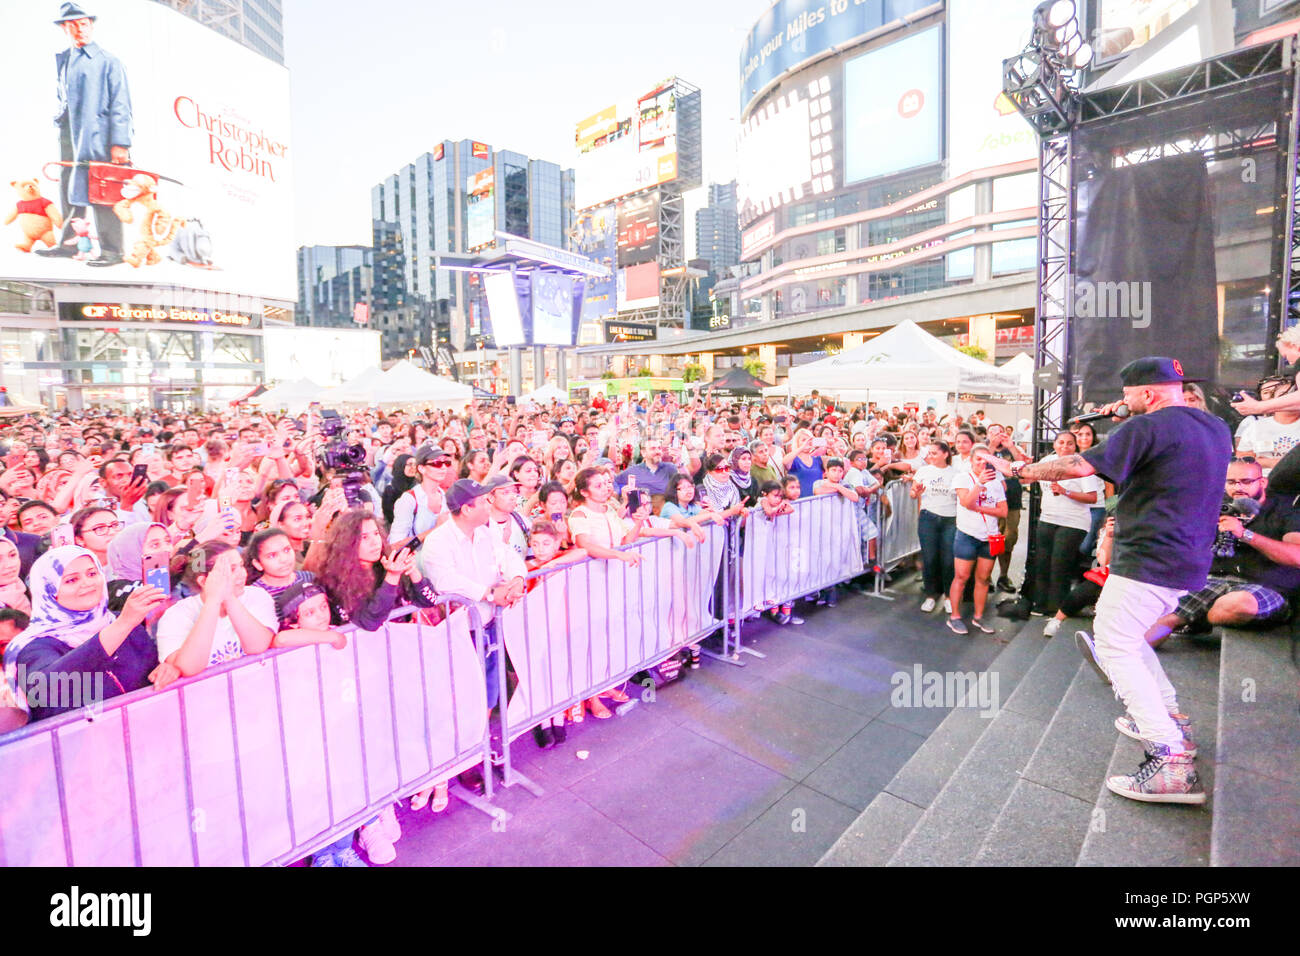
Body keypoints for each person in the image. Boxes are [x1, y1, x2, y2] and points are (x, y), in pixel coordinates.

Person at [981, 357, 1231, 804]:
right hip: (1187, 554)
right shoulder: (1212, 427)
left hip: (1150, 554)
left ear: (1147, 394)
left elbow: (1076, 466)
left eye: (1130, 395)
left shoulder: (1144, 428)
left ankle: (1171, 760)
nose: (1124, 402)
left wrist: (1019, 470)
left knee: (1115, 642)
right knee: (1128, 638)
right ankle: (1169, 716)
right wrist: (1126, 416)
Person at [1141, 455, 1300, 646]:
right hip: (1214, 580)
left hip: (1268, 586)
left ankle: (1197, 618)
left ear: (1263, 482)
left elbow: (1296, 556)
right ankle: (1120, 660)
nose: (1238, 488)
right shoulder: (1216, 506)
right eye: (1231, 482)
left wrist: (1245, 534)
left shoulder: (1285, 512)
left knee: (1236, 605)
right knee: (1163, 614)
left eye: (1246, 481)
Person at [4, 546, 166, 722]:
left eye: (92, 574)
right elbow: (49, 687)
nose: (87, 583)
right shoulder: (34, 647)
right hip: (81, 745)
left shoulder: (121, 622)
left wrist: (168, 667)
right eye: (71, 580)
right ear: (50, 591)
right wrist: (124, 624)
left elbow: (151, 671)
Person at [39, 3, 132, 268]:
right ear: (64, 28)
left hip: (99, 137)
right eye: (73, 25)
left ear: (91, 25)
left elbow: (121, 104)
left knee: (104, 189)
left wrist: (120, 143)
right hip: (70, 133)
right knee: (69, 186)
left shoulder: (109, 62)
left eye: (84, 23)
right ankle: (69, 245)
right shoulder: (65, 59)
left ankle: (113, 251)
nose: (79, 29)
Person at [154, 541, 277, 680]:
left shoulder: (257, 596)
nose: (242, 574)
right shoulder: (176, 615)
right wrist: (213, 601)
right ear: (203, 581)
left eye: (241, 565)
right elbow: (188, 668)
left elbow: (257, 646)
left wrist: (229, 598)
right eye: (231, 569)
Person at [1027, 431, 1102, 637]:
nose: (1065, 446)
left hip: (1073, 522)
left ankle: (1058, 609)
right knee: (1043, 562)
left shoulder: (1082, 464)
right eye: (1061, 442)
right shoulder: (1048, 461)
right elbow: (1028, 477)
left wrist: (1066, 491)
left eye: (1070, 443)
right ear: (1055, 444)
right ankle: (1041, 604)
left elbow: (1092, 497)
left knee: (1059, 564)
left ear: (1075, 446)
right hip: (1048, 518)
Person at [946, 446, 1006, 636]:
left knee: (984, 578)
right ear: (971, 460)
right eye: (978, 459)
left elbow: (1003, 511)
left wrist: (979, 508)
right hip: (967, 535)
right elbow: (966, 502)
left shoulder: (996, 481)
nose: (982, 463)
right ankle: (954, 616)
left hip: (989, 537)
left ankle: (978, 616)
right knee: (961, 577)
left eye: (985, 459)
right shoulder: (962, 478)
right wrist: (979, 485)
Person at [909, 441, 958, 615]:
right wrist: (917, 492)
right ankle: (930, 595)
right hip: (928, 518)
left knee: (948, 560)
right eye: (929, 453)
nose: (930, 456)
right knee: (929, 558)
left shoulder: (956, 473)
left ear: (945, 454)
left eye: (934, 453)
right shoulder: (923, 471)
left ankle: (949, 597)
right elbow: (913, 493)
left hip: (950, 520)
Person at [389, 445, 450, 546]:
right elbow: (395, 545)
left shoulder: (446, 498)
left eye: (446, 463)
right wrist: (436, 529)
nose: (443, 467)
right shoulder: (409, 500)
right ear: (421, 468)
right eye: (437, 463)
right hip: (417, 560)